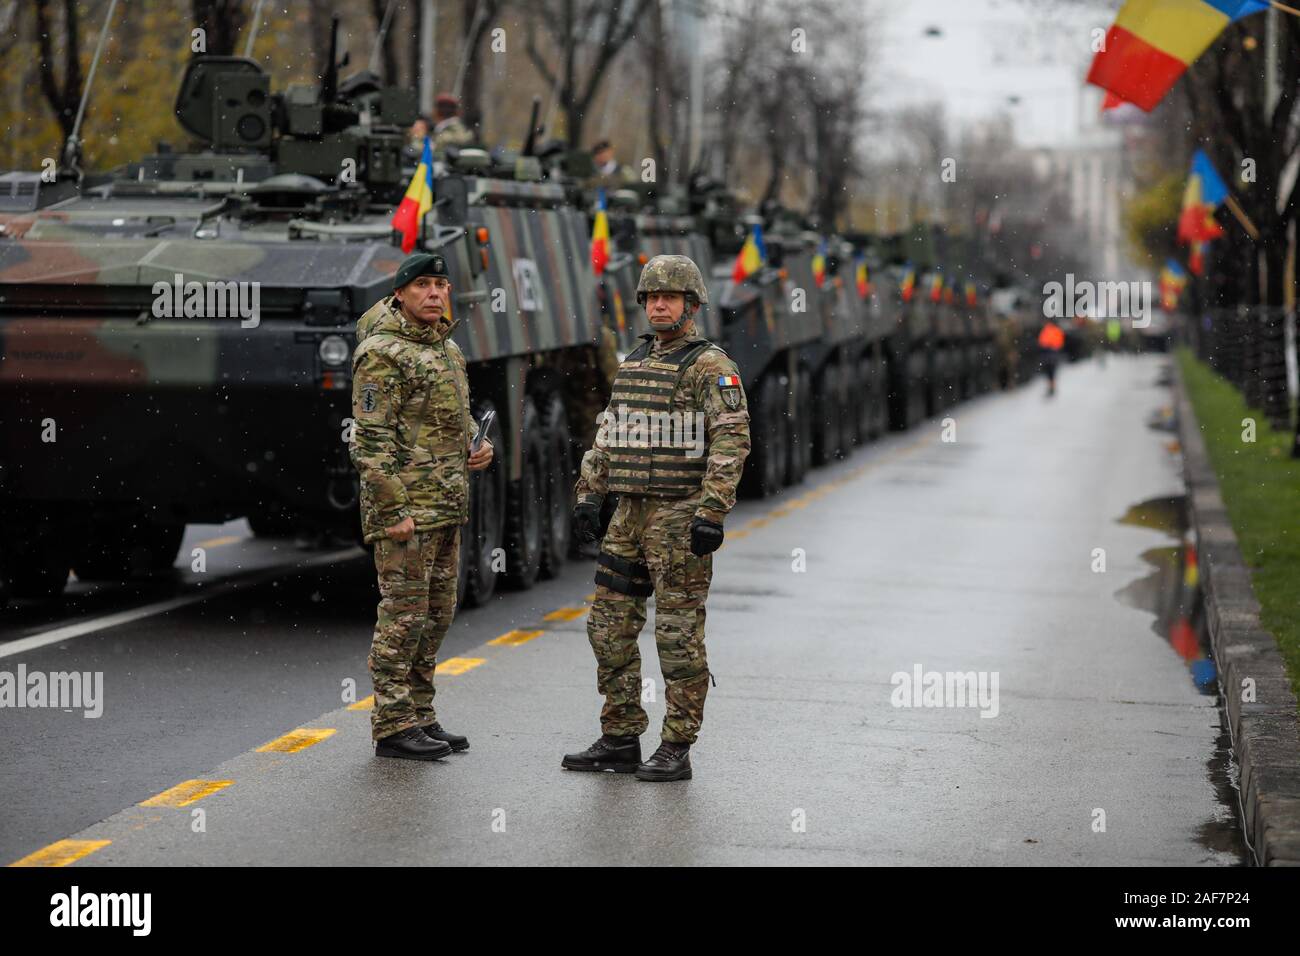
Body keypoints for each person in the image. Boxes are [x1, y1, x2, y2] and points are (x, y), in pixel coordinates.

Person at [563, 255, 750, 782]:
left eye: (670, 297)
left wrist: (712, 511)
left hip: (679, 516)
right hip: (629, 515)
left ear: (691, 306)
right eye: (652, 297)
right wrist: (589, 494)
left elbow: (731, 441)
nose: (660, 305)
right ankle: (621, 735)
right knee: (608, 628)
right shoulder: (635, 362)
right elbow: (610, 430)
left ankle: (676, 746)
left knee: (677, 636)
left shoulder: (711, 368)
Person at [349, 252, 493, 760]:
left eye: (441, 285)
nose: (435, 293)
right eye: (424, 285)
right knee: (403, 616)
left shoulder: (447, 350)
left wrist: (477, 445)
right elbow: (369, 443)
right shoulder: (382, 354)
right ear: (402, 293)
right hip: (407, 512)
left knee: (437, 613)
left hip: (447, 506)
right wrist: (393, 513)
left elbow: (447, 421)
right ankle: (391, 724)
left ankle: (420, 714)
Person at [1038, 318, 1065, 397]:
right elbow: (1060, 342)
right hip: (1053, 353)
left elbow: (1042, 342)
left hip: (1049, 353)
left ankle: (1051, 387)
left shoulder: (1046, 330)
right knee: (1051, 371)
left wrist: (1048, 345)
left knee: (1049, 371)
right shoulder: (1056, 330)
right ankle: (1052, 386)